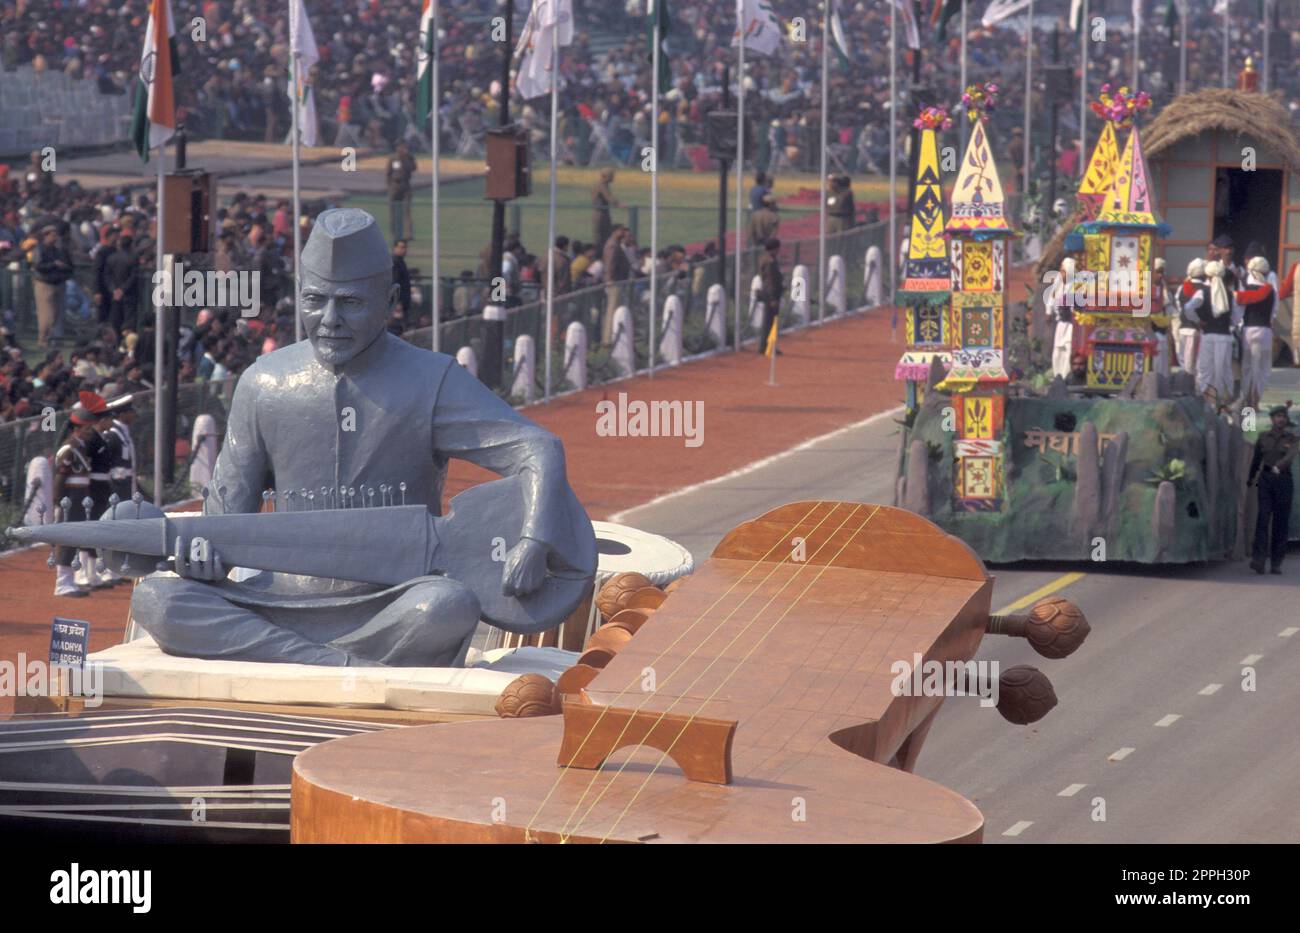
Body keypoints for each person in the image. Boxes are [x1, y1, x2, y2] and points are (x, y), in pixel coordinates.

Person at [130, 208, 593, 668]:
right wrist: (198, 557)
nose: (330, 319)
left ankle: (300, 660)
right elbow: (224, 522)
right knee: (158, 600)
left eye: (350, 302)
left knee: (449, 606)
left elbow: (537, 448)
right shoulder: (264, 383)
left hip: (396, 602)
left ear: (390, 299)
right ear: (298, 294)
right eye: (316, 300)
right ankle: (336, 665)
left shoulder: (429, 380)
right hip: (278, 602)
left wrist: (534, 539)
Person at [50, 392, 109, 597]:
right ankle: (62, 583)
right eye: (86, 427)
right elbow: (60, 477)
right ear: (77, 428)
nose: (90, 431)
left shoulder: (81, 447)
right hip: (70, 499)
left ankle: (70, 580)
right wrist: (58, 501)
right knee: (66, 540)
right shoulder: (69, 449)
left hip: (79, 497)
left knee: (74, 538)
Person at [1248, 405, 1298, 574]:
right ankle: (1259, 559)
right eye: (1278, 416)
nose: (1281, 419)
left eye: (1283, 416)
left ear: (1286, 420)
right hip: (1266, 480)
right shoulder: (1263, 438)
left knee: (1280, 522)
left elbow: (1290, 455)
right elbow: (1256, 460)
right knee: (1262, 519)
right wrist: (1250, 478)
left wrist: (1279, 466)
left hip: (1284, 480)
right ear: (1272, 419)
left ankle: (1276, 562)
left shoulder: (1292, 439)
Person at [1235, 256, 1277, 411]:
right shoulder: (1270, 290)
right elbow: (1273, 312)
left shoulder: (1244, 288)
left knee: (1247, 367)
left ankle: (1246, 397)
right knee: (1262, 368)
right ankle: (1256, 400)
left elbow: (1238, 312)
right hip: (1265, 330)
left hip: (1248, 329)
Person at [1195, 259, 1235, 401]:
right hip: (1225, 337)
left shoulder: (1202, 292)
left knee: (1206, 369)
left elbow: (1188, 308)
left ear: (1208, 276)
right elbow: (1235, 317)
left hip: (1208, 335)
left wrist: (1198, 320)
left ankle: (1206, 400)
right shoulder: (1230, 295)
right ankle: (1223, 401)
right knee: (1224, 370)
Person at [32, 224, 73, 347]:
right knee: (46, 315)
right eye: (52, 235)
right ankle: (43, 340)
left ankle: (56, 340)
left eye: (56, 235)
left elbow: (70, 265)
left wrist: (64, 267)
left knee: (58, 315)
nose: (55, 238)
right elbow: (38, 266)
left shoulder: (59, 250)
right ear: (45, 235)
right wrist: (54, 264)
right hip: (45, 283)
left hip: (59, 283)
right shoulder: (40, 249)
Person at [1047, 257, 1078, 379]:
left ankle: (1065, 376)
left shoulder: (1075, 285)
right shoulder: (1058, 282)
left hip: (1071, 323)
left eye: (1063, 270)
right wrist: (1048, 312)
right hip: (1060, 322)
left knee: (1068, 348)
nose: (1061, 272)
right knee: (1057, 350)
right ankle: (1057, 375)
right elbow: (1051, 297)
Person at [1175, 258, 1206, 374]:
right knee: (1198, 361)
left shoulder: (1181, 288)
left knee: (1185, 360)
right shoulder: (1207, 289)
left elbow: (1179, 306)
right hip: (1200, 330)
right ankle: (1196, 388)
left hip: (1184, 328)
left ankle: (1185, 386)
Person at [601, 225, 630, 344]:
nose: (624, 233)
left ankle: (613, 337)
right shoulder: (612, 245)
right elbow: (609, 263)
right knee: (612, 311)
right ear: (615, 231)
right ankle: (608, 340)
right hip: (613, 283)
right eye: (621, 230)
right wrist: (610, 280)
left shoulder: (615, 244)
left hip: (617, 281)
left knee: (616, 310)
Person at [756, 237, 784, 355]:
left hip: (773, 294)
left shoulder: (769, 259)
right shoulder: (769, 262)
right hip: (770, 295)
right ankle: (766, 347)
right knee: (769, 322)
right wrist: (773, 298)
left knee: (771, 322)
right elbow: (770, 281)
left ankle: (768, 346)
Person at [386, 142, 417, 242]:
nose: (402, 149)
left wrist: (405, 158)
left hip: (406, 185)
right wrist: (390, 186)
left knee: (406, 210)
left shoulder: (409, 158)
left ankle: (408, 234)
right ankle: (394, 233)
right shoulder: (392, 158)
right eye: (400, 147)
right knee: (393, 210)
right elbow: (388, 173)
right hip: (395, 185)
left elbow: (413, 168)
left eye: (404, 147)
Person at [592, 168, 619, 249]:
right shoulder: (601, 185)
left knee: (606, 234)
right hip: (600, 213)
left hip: (603, 212)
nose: (613, 177)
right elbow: (608, 197)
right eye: (612, 175)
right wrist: (618, 204)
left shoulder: (604, 185)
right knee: (601, 236)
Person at [391, 238, 413, 327]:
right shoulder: (395, 262)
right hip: (397, 302)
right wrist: (397, 301)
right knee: (397, 326)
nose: (404, 250)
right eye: (401, 247)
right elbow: (394, 282)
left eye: (405, 248)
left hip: (403, 301)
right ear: (395, 248)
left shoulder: (401, 262)